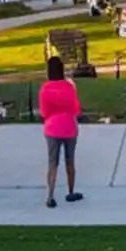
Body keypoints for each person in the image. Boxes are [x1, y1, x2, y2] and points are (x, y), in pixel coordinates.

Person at [40, 56, 84, 209]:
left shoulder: (45, 88)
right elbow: (76, 109)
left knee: (52, 163)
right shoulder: (69, 87)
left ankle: (50, 195)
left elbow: (44, 112)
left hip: (52, 127)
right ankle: (71, 191)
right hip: (69, 127)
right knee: (70, 161)